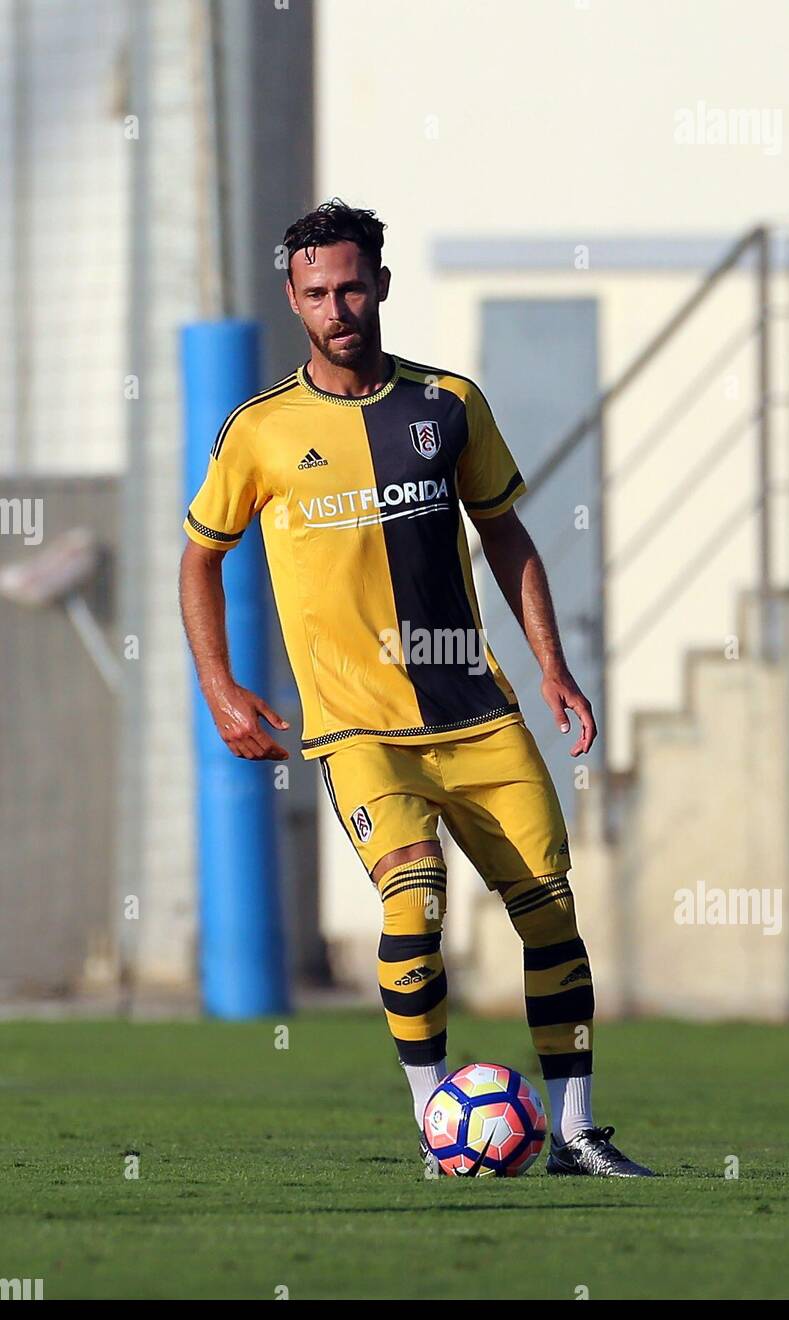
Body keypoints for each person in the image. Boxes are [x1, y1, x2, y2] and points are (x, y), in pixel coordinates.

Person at [179, 198, 654, 1178]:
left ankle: (572, 1133)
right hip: (358, 728)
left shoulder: (447, 404)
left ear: (381, 284)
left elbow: (505, 535)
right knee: (415, 900)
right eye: (316, 292)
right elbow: (198, 558)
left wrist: (553, 666)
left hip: (475, 714)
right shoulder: (259, 431)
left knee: (549, 912)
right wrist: (219, 685)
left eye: (351, 285)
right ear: (292, 300)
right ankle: (439, 1129)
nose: (337, 306)